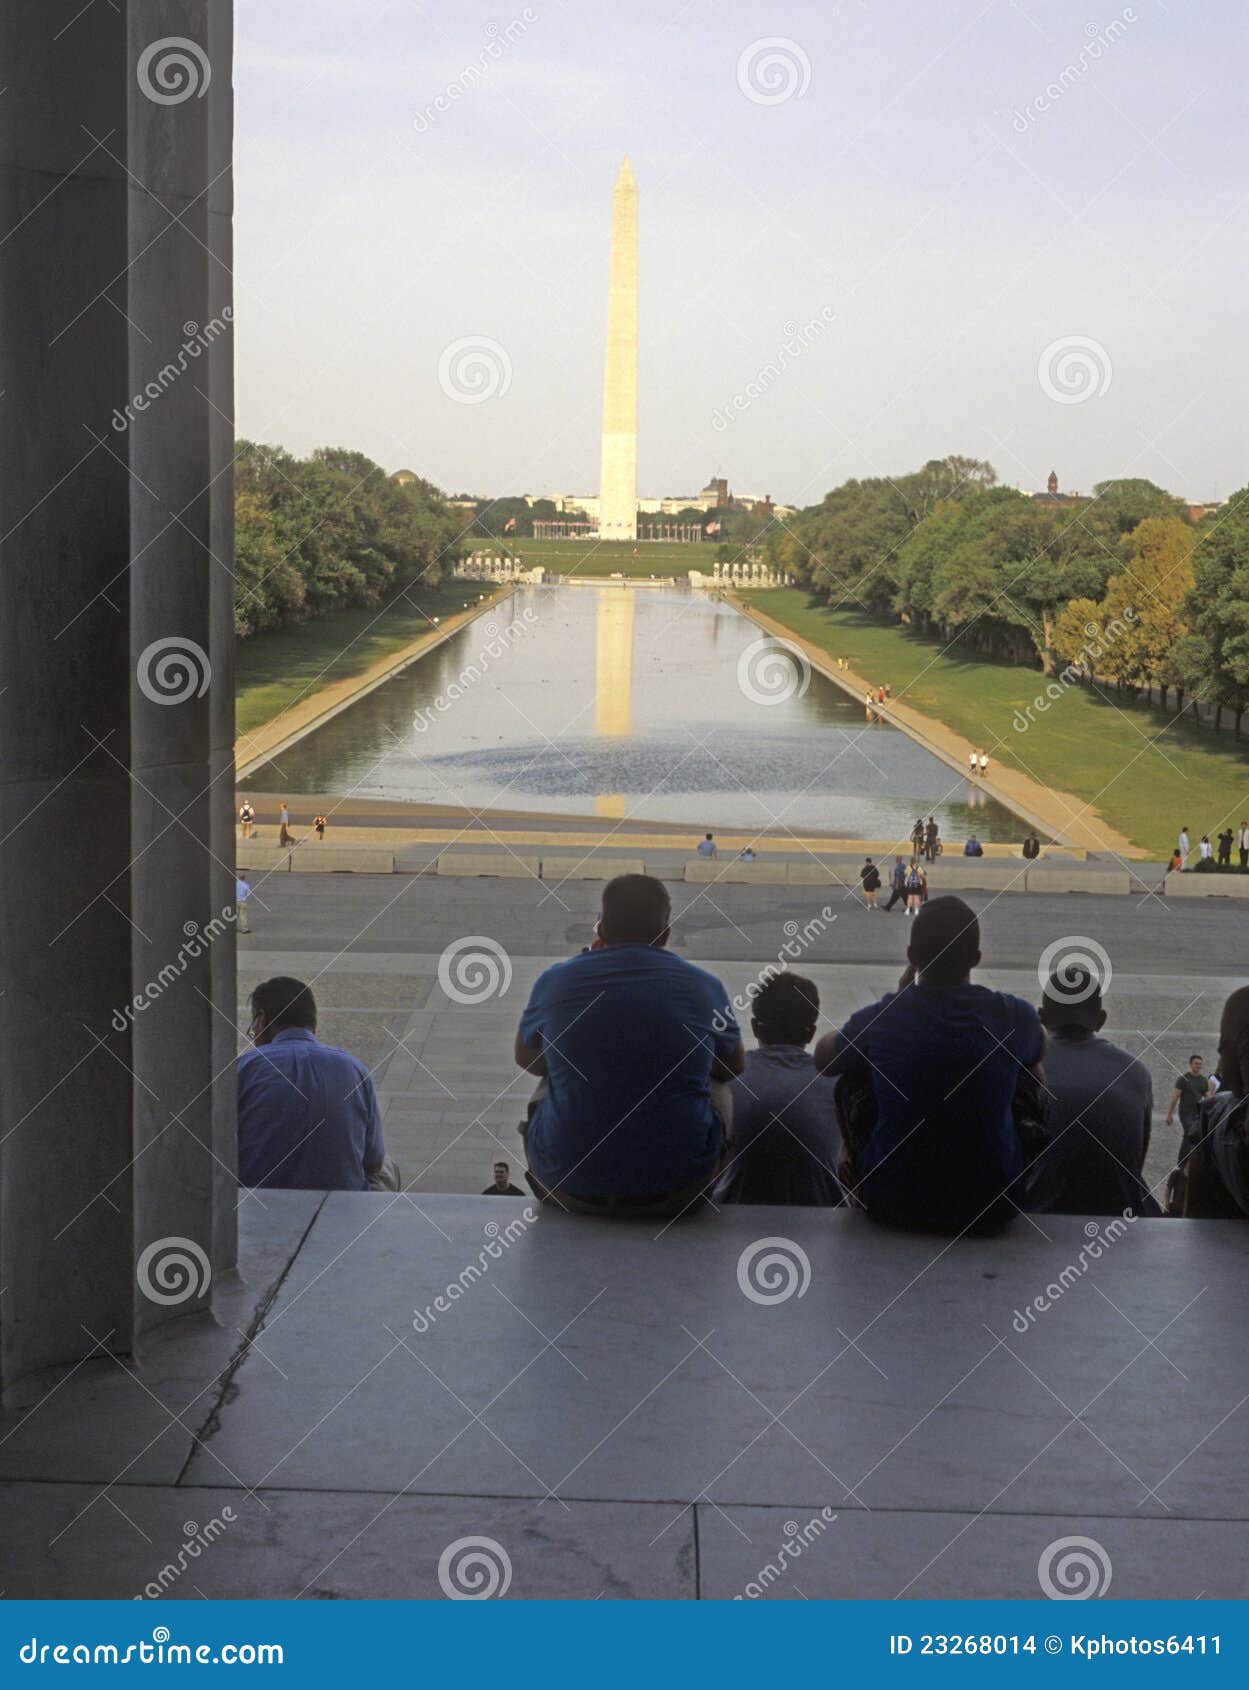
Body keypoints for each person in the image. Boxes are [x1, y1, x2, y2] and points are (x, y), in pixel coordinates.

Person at [514, 874, 743, 1215]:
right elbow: (734, 1066)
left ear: (601, 929)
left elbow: (526, 1057)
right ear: (665, 935)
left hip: (567, 1188)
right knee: (718, 1085)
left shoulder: (556, 980)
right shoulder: (705, 987)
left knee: (552, 1074)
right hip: (679, 1192)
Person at [814, 897, 1045, 1233]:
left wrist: (898, 1003)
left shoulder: (885, 1016)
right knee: (1029, 1069)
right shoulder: (1012, 1014)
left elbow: (824, 1059)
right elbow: (1039, 1049)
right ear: (976, 958)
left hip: (892, 1201)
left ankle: (862, 1177)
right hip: (993, 1204)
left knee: (852, 1076)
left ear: (912, 957)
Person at [237, 977, 398, 1191]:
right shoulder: (353, 1069)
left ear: (262, 1019)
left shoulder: (244, 1068)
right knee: (387, 1166)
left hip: (259, 1200)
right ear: (313, 1022)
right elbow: (374, 1162)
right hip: (340, 1203)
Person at [1025, 966, 1157, 1216]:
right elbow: (1134, 1161)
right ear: (1101, 1019)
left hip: (1040, 1216)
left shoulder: (1024, 1068)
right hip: (1121, 1217)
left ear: (1041, 1016)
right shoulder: (1136, 1072)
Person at [714, 974, 843, 1207]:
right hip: (822, 1213)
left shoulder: (729, 1079)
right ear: (811, 1033)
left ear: (755, 1028)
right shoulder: (835, 1083)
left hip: (733, 1211)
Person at [1167, 1054, 1210, 1159]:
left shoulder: (1203, 1080)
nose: (1198, 1066)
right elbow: (1175, 1097)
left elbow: (1208, 1098)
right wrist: (1169, 1115)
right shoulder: (1183, 1079)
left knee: (1197, 1135)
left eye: (1200, 1064)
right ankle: (1181, 1163)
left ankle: (1193, 1160)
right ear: (1190, 1064)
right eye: (1196, 1063)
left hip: (1198, 1113)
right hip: (1185, 1113)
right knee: (1190, 1132)